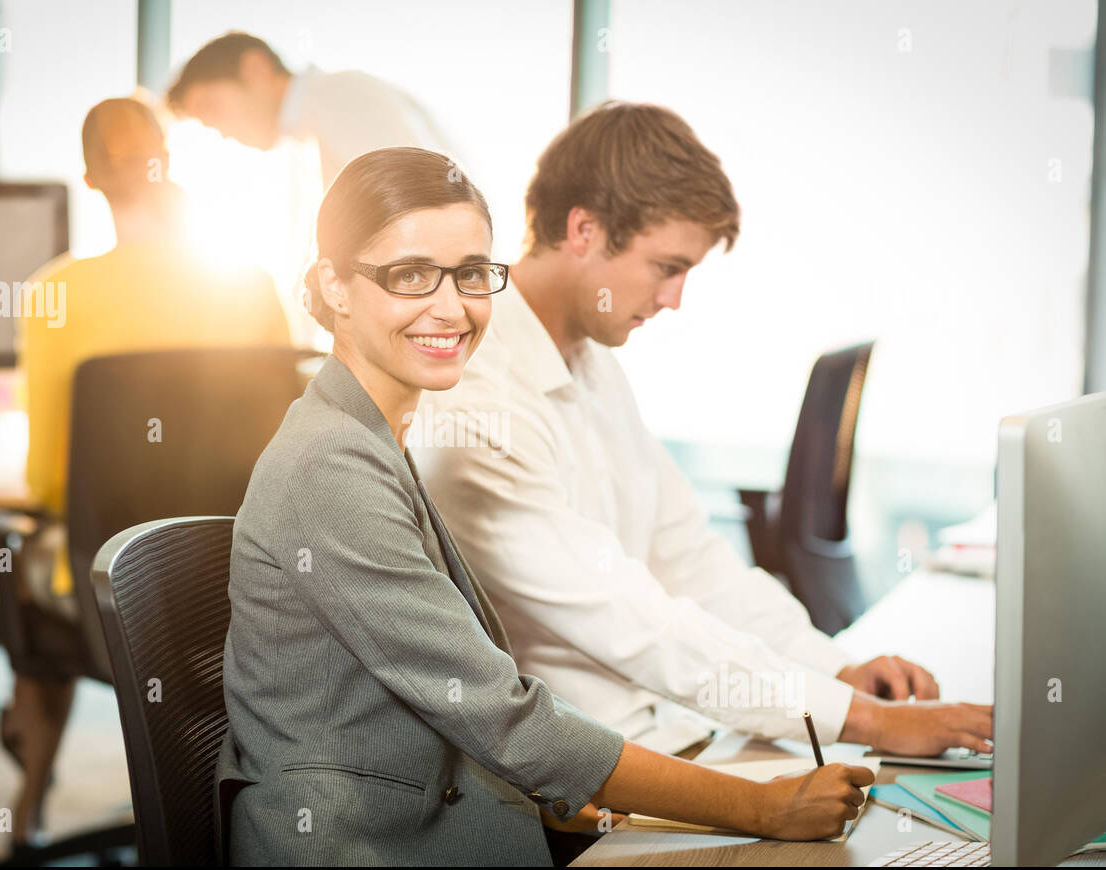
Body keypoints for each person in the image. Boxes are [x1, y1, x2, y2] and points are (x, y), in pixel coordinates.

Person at [215, 145, 873, 866]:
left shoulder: (370, 434)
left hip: (430, 816)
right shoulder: (330, 467)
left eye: (470, 273)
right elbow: (504, 717)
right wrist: (763, 807)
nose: (451, 307)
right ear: (334, 286)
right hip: (362, 844)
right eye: (409, 275)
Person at [411, 102, 994, 765]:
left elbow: (689, 559)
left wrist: (835, 671)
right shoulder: (474, 399)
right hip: (589, 788)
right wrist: (868, 723)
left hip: (682, 735)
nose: (674, 299)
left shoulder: (593, 363)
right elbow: (634, 625)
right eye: (666, 266)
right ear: (583, 229)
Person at [0, 96, 290, 855]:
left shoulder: (53, 295)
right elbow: (285, 451)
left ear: (92, 179)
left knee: (20, 559)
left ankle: (28, 805)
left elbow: (47, 485)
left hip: (118, 581)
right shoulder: (247, 285)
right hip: (245, 576)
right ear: (166, 162)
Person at [166, 32, 456, 189]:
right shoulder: (305, 134)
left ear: (255, 68)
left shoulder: (339, 95)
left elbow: (415, 201)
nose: (222, 133)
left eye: (212, 108)